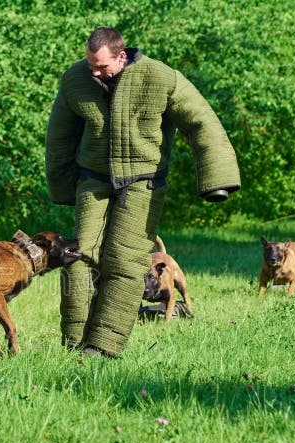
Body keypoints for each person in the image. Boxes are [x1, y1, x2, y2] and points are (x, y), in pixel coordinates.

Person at [45, 26, 241, 357]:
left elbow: (202, 122)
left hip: (143, 182)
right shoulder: (76, 79)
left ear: (121, 56)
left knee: (125, 262)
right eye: (90, 64)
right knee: (77, 257)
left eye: (102, 66)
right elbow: (59, 136)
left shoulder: (161, 78)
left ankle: (103, 347)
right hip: (92, 180)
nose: (94, 72)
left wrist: (216, 180)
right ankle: (74, 345)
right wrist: (61, 185)